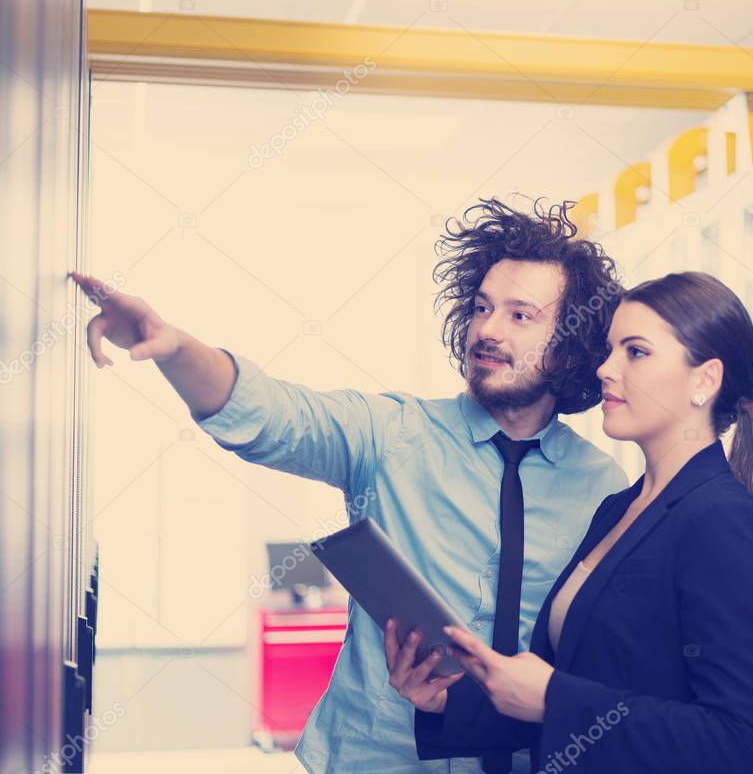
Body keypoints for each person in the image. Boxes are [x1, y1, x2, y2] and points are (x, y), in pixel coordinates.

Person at [70, 197, 629, 774]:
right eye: (482, 307)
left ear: (568, 343)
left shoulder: (603, 486)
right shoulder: (393, 433)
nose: (486, 329)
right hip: (376, 758)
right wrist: (176, 348)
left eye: (520, 315)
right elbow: (269, 416)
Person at [386, 271, 753, 773]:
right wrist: (449, 704)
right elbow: (578, 692)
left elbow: (737, 743)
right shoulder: (617, 509)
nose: (606, 368)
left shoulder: (726, 526)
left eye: (635, 352)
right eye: (609, 350)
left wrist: (555, 698)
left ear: (703, 380)